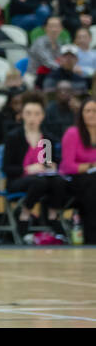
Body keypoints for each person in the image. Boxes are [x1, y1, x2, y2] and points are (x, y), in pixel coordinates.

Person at [2, 92, 68, 240]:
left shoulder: (47, 139)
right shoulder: (13, 137)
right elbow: (7, 168)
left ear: (42, 116)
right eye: (29, 113)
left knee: (58, 180)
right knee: (39, 181)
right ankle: (24, 215)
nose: (32, 118)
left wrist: (51, 166)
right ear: (22, 115)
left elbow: (50, 164)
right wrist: (28, 169)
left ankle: (53, 216)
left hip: (42, 181)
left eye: (36, 114)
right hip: (18, 180)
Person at [58, 95, 96, 243]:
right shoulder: (72, 133)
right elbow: (67, 166)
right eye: (87, 111)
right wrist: (92, 166)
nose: (92, 114)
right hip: (73, 182)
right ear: (81, 114)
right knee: (93, 181)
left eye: (94, 111)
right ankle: (92, 236)